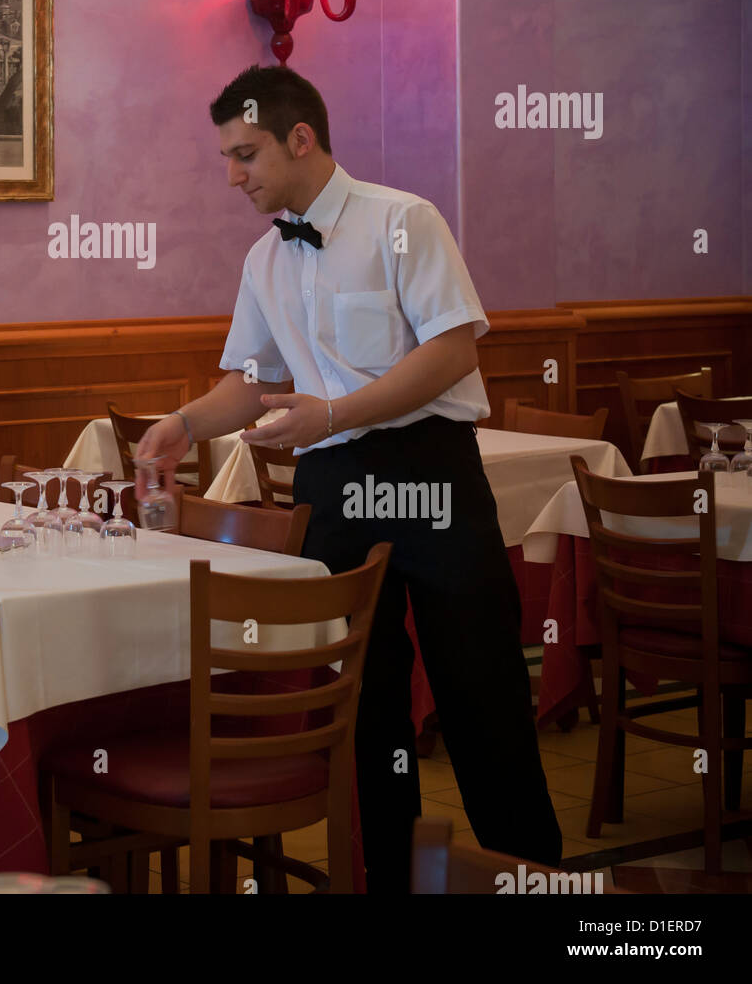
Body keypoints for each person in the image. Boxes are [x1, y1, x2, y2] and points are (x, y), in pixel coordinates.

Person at [135, 64, 561, 893]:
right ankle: (391, 882)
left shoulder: (404, 220)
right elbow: (251, 381)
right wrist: (184, 423)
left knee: (484, 701)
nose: (233, 175)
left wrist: (333, 414)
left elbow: (452, 351)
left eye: (246, 154)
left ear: (302, 138)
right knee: (360, 709)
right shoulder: (265, 257)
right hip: (329, 486)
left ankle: (537, 883)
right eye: (226, 156)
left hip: (430, 474)